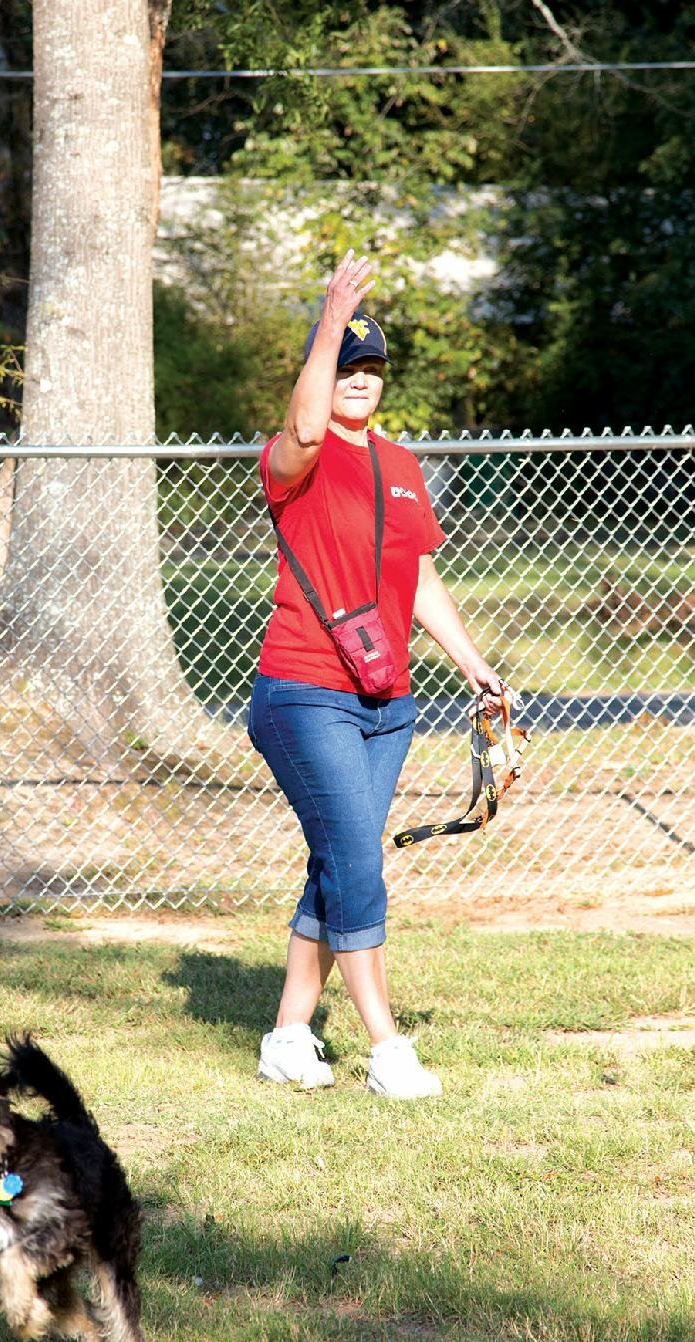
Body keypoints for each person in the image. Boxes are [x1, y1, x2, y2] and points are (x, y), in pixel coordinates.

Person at [247, 249, 504, 1098]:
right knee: (357, 856)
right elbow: (308, 428)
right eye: (344, 363)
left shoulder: (400, 465)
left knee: (337, 856)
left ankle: (289, 1035)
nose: (359, 376)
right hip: (303, 691)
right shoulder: (295, 459)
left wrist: (474, 666)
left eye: (370, 364)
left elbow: (419, 577)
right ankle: (387, 1047)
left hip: (388, 700)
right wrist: (327, 324)